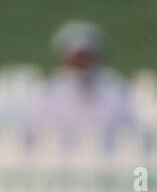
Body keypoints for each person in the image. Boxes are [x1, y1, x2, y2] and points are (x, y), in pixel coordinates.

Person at [21, 21, 136, 149]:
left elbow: (128, 127)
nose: (82, 62)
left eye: (86, 57)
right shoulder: (47, 91)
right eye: (76, 58)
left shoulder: (114, 88)